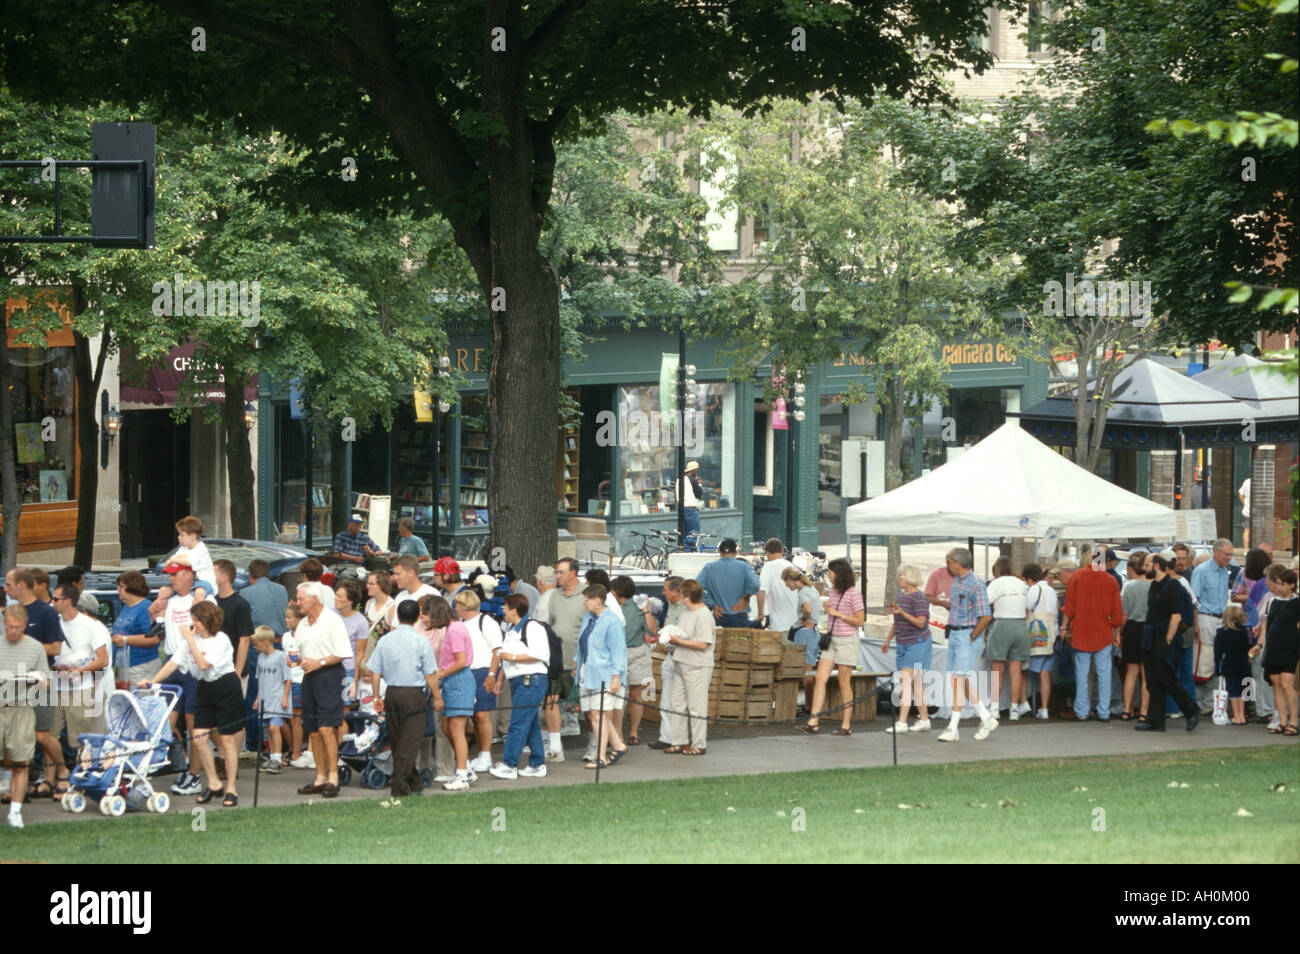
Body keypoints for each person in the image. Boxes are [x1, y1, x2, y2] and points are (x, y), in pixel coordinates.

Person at [146, 601, 244, 805]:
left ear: (208, 621)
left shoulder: (221, 640)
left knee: (227, 741)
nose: (193, 624)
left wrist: (190, 640)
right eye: (193, 620)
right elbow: (174, 662)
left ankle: (231, 788)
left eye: (197, 620)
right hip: (204, 687)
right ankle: (213, 782)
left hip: (225, 686)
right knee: (199, 737)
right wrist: (153, 681)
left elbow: (204, 664)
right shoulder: (190, 640)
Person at [366, 599, 440, 797]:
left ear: (397, 616)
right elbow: (430, 674)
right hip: (413, 694)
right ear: (417, 617)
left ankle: (414, 782)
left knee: (399, 740)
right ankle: (398, 786)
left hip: (391, 692)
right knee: (410, 741)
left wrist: (376, 697)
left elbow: (374, 671)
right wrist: (438, 697)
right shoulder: (420, 641)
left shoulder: (385, 640)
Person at [4, 567, 65, 799]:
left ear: (21, 585)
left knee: (42, 735)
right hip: (14, 683)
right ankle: (18, 787)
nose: (6, 588)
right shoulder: (11, 612)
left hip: (40, 680)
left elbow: (56, 647)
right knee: (16, 735)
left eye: (9, 584)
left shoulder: (45, 613)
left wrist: (27, 647)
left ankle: (62, 770)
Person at [292, 583, 353, 798]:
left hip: (330, 675)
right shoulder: (302, 625)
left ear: (314, 599)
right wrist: (297, 660)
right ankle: (320, 776)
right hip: (309, 676)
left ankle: (333, 775)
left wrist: (321, 662)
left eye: (301, 599)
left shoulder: (332, 620)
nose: (297, 603)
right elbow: (299, 652)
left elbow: (343, 652)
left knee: (328, 728)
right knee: (314, 730)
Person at [157, 563, 210, 796]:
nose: (170, 580)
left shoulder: (200, 597)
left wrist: (200, 588)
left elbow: (209, 586)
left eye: (174, 576)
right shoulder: (168, 599)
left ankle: (196, 773)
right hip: (172, 661)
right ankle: (186, 762)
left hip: (191, 665)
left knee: (193, 723)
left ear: (188, 576)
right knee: (165, 722)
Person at [936, 548, 996, 743]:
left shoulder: (976, 584)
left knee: (957, 681)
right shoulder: (958, 581)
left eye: (949, 561)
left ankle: (953, 727)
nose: (947, 565)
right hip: (956, 633)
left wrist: (972, 636)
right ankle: (986, 717)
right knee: (961, 679)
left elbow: (986, 615)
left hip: (965, 634)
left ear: (958, 562)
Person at [489, 593, 552, 779]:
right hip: (517, 680)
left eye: (506, 607)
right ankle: (537, 763)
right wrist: (500, 679)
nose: (503, 610)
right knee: (530, 723)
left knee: (517, 723)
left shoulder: (533, 627)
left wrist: (513, 657)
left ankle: (510, 764)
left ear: (514, 610)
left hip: (531, 680)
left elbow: (540, 654)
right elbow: (504, 657)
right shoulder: (510, 629)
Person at [801, 558, 864, 736]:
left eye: (830, 571)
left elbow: (860, 620)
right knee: (820, 678)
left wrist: (839, 614)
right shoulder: (834, 592)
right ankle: (813, 720)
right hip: (831, 639)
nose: (828, 574)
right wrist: (828, 607)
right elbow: (833, 611)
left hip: (847, 640)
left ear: (839, 573)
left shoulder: (854, 593)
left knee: (844, 682)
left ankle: (846, 724)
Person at [1136, 553, 1199, 732]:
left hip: (1164, 636)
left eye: (1147, 565)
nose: (1144, 568)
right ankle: (1155, 721)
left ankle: (1190, 709)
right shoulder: (1153, 586)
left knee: (1166, 678)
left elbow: (1176, 616)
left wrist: (1168, 640)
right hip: (1150, 635)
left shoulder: (1172, 586)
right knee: (1152, 680)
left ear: (1157, 565)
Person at [0, 604, 50, 828]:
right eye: (10, 627)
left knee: (20, 762)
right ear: (4, 624)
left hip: (22, 708)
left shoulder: (35, 647)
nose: (14, 631)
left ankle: (16, 812)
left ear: (24, 626)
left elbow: (46, 680)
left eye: (18, 628)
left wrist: (37, 679)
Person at [1061, 545, 1123, 722]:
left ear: (1090, 559)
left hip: (1081, 631)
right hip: (1103, 633)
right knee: (1104, 674)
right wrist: (1117, 632)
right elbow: (1116, 611)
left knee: (1082, 673)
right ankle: (1104, 711)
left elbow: (1069, 606)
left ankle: (1082, 711)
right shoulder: (1111, 581)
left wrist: (1064, 628)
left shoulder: (1077, 577)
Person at [574, 584, 628, 766]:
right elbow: (582, 642)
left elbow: (618, 651)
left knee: (598, 714)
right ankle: (618, 745)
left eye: (587, 599)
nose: (584, 603)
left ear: (597, 601)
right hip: (587, 671)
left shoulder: (612, 621)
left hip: (605, 673)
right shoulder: (589, 618)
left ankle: (600, 756)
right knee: (594, 714)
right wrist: (577, 661)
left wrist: (616, 677)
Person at [52, 583, 110, 747]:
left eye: (56, 599)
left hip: (81, 689)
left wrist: (80, 672)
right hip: (57, 686)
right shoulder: (55, 622)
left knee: (81, 740)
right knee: (49, 736)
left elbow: (102, 659)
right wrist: (58, 669)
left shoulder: (91, 626)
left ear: (68, 601)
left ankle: (84, 770)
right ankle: (55, 771)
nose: (52, 602)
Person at [539, 558, 586, 761]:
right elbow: (549, 624)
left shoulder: (587, 594)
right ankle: (556, 747)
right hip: (556, 660)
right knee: (551, 701)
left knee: (590, 705)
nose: (557, 576)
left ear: (573, 573)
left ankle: (598, 745)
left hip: (580, 661)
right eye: (556, 572)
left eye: (560, 572)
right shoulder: (554, 596)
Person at [453, 589, 503, 775]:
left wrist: (491, 674)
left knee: (482, 716)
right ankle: (477, 754)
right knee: (471, 716)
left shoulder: (487, 622)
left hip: (483, 671)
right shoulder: (460, 624)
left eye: (458, 604)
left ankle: (486, 755)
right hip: (466, 671)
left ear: (466, 606)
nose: (455, 607)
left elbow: (497, 650)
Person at [662, 579, 714, 755]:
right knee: (677, 704)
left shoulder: (704, 614)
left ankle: (699, 743)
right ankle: (680, 741)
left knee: (696, 706)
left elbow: (703, 644)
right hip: (681, 661)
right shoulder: (685, 613)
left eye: (683, 594)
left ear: (688, 596)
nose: (681, 598)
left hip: (697, 665)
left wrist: (678, 641)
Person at [881, 563, 931, 733]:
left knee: (906, 680)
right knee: (916, 684)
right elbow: (897, 622)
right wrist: (888, 640)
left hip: (917, 643)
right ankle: (924, 719)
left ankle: (902, 722)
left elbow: (921, 622)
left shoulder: (919, 597)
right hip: (902, 643)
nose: (899, 578)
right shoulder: (901, 597)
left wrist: (903, 613)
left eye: (902, 575)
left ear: (910, 577)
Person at [212, 559, 255, 756]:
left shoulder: (240, 604)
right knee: (211, 718)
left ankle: (233, 759)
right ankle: (223, 754)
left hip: (235, 668)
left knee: (234, 717)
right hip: (213, 668)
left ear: (224, 576)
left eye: (214, 572)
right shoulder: (211, 602)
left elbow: (244, 640)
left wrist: (237, 671)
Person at [433, 596, 476, 791]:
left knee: (457, 729)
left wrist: (441, 673)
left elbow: (461, 661)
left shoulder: (455, 630)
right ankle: (466, 767)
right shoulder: (452, 629)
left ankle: (462, 775)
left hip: (459, 681)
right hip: (451, 682)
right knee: (446, 727)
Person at [1234, 548, 1277, 727]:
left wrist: (1252, 628)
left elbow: (1252, 609)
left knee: (1253, 672)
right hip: (1263, 633)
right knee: (1260, 674)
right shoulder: (1265, 586)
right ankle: (1262, 707)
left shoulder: (1257, 583)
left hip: (1255, 633)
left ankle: (1257, 707)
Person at [1190, 538, 1234, 712]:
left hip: (1220, 618)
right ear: (1216, 552)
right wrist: (1196, 624)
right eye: (1226, 554)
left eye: (1230, 554)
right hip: (1205, 617)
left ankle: (1210, 702)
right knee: (1203, 660)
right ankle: (1199, 702)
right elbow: (1194, 599)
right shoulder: (1202, 571)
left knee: (1216, 660)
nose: (1229, 558)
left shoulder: (1225, 572)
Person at [1254, 565, 1298, 736]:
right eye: (1277, 584)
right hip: (1273, 646)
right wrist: (1260, 644)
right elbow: (1266, 624)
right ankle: (1282, 720)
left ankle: (1294, 721)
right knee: (1276, 685)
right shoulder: (1272, 600)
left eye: (1282, 584)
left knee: (1288, 684)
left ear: (1291, 585)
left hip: (1290, 647)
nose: (1278, 587)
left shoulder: (1296, 602)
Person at [611, 576, 655, 745]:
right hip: (617, 653)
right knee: (617, 696)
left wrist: (645, 610)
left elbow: (652, 630)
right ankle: (617, 733)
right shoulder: (610, 605)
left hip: (636, 652)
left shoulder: (638, 606)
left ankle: (633, 733)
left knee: (637, 694)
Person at [984, 556, 1029, 720]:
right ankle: (1014, 709)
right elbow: (1028, 606)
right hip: (1020, 626)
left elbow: (985, 602)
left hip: (1002, 624)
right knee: (1016, 670)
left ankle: (995, 708)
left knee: (998, 669)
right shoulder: (1022, 584)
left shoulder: (995, 584)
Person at [148, 516, 217, 616]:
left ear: (192, 536)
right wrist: (173, 561)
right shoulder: (183, 548)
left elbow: (189, 562)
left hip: (203, 581)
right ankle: (161, 621)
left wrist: (173, 559)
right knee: (163, 591)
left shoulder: (201, 549)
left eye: (182, 535)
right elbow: (174, 562)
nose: (178, 537)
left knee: (199, 593)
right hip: (188, 581)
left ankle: (195, 617)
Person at [649, 577, 686, 750]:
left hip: (684, 656)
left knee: (681, 700)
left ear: (677, 591)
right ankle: (666, 736)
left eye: (666, 590)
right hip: (670, 655)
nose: (663, 593)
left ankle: (681, 738)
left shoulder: (687, 608)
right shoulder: (670, 606)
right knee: (666, 698)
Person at [781, 566, 822, 713]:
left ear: (790, 580)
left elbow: (808, 609)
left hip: (804, 632)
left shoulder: (803, 593)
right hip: (814, 632)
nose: (786, 585)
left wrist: (804, 618)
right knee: (809, 669)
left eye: (786, 582)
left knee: (804, 670)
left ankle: (809, 706)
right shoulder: (813, 590)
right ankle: (810, 705)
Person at [251, 627, 292, 772]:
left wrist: (285, 697)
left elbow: (287, 678)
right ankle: (273, 756)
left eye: (257, 644)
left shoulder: (280, 656)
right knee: (269, 729)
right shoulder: (261, 658)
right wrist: (257, 699)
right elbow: (260, 680)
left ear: (266, 641)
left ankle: (277, 759)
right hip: (265, 698)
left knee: (275, 727)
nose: (255, 647)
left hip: (277, 697)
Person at [111, 570, 161, 686]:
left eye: (121, 586)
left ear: (132, 588)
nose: (118, 589)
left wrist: (125, 640)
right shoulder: (126, 607)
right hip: (123, 666)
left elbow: (153, 639)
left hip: (142, 667)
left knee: (140, 701)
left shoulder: (145, 608)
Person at [697, 538, 761, 627]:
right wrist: (745, 597)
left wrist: (712, 604)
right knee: (740, 640)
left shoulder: (709, 568)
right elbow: (755, 584)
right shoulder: (744, 567)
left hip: (719, 615)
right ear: (736, 553)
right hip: (740, 616)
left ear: (720, 553)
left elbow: (696, 587)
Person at [1118, 553, 1151, 722]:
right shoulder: (1154, 586)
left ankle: (1126, 709)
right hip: (1148, 628)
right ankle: (1144, 712)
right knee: (1146, 674)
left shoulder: (1129, 586)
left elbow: (1124, 614)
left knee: (1131, 672)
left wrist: (1120, 632)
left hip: (1132, 628)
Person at [1023, 563, 1057, 719]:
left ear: (1029, 578)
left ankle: (1023, 704)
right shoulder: (1052, 591)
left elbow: (1027, 608)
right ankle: (1044, 708)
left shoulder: (1033, 589)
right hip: (1051, 634)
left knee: (1023, 669)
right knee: (1045, 673)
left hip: (1037, 634)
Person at [1214, 605, 1251, 726]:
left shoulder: (1221, 633)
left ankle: (1236, 716)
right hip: (1243, 663)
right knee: (1243, 689)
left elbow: (1218, 653)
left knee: (1233, 689)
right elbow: (1249, 646)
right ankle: (1242, 715)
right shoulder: (1245, 632)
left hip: (1228, 664)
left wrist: (1218, 669)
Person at [281, 602, 308, 767]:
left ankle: (296, 753)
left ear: (299, 619)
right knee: (281, 717)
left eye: (289, 617)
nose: (286, 620)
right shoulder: (285, 637)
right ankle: (293, 748)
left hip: (300, 679)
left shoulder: (305, 635)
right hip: (287, 680)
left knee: (295, 718)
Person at [334, 579, 369, 702]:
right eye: (335, 595)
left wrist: (355, 680)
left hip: (348, 670)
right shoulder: (330, 615)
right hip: (330, 668)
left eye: (339, 596)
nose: (335, 598)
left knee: (345, 707)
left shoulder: (361, 622)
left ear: (350, 601)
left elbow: (360, 653)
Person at [757, 538, 798, 633]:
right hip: (796, 621)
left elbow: (761, 592)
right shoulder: (791, 565)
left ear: (766, 553)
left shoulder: (768, 567)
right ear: (782, 551)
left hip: (780, 624)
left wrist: (760, 613)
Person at [241, 560, 289, 638]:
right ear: (268, 574)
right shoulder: (282, 589)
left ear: (250, 576)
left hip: (258, 642)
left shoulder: (245, 593)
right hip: (281, 640)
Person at [678, 460, 703, 548]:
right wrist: (699, 484)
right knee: (693, 533)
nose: (697, 472)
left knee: (685, 533)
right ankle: (690, 551)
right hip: (690, 509)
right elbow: (699, 494)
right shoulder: (692, 479)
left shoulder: (680, 479)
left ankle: (685, 551)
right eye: (696, 470)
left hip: (682, 509)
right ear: (694, 470)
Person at [1238, 477, 1252, 549]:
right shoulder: (1261, 482)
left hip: (1248, 510)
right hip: (1257, 511)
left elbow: (1240, 494)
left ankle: (1246, 549)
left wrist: (1245, 504)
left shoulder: (1247, 481)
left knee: (1247, 529)